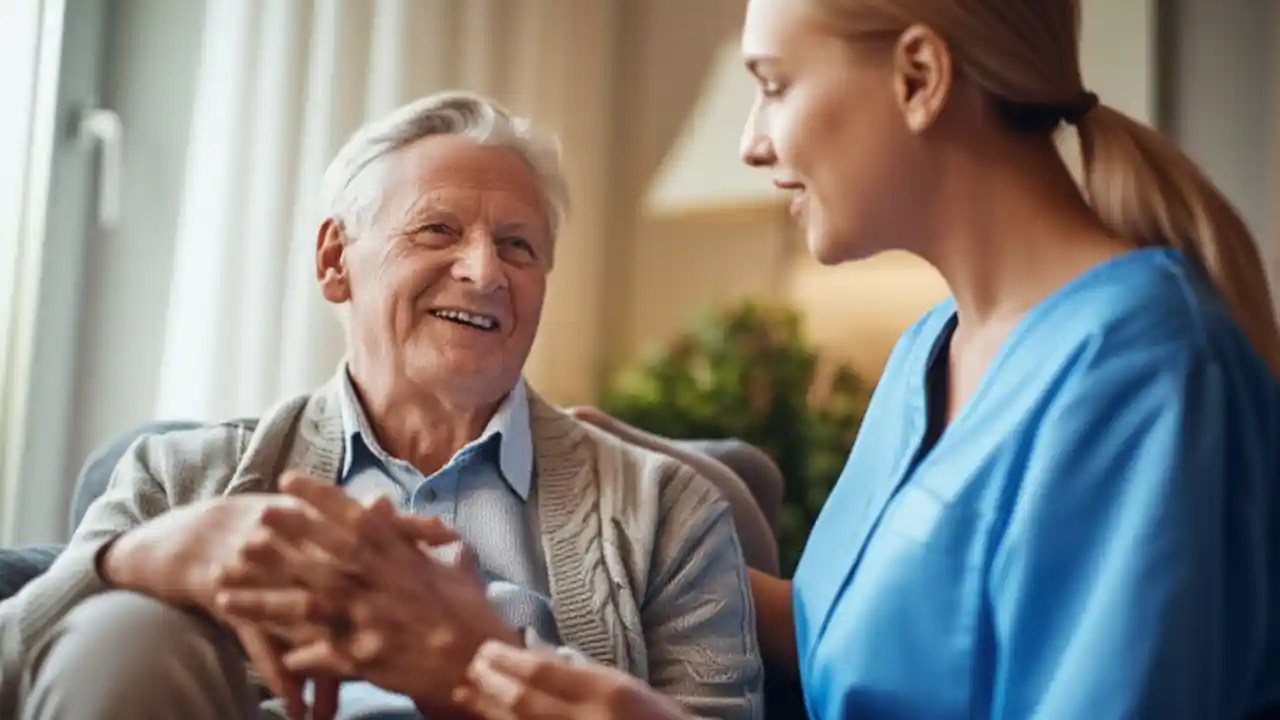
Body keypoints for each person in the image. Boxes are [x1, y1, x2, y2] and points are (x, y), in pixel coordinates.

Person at [451, 0, 1280, 718]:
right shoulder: (930, 347)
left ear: (919, 76)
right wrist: (621, 524)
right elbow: (850, 645)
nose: (752, 143)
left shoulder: (1145, 373)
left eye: (774, 85)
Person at [0, 91, 763, 720]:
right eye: (438, 229)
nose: (484, 271)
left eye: (518, 247)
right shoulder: (181, 478)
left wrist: (477, 666)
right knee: (125, 631)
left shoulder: (666, 507)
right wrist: (128, 558)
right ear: (336, 260)